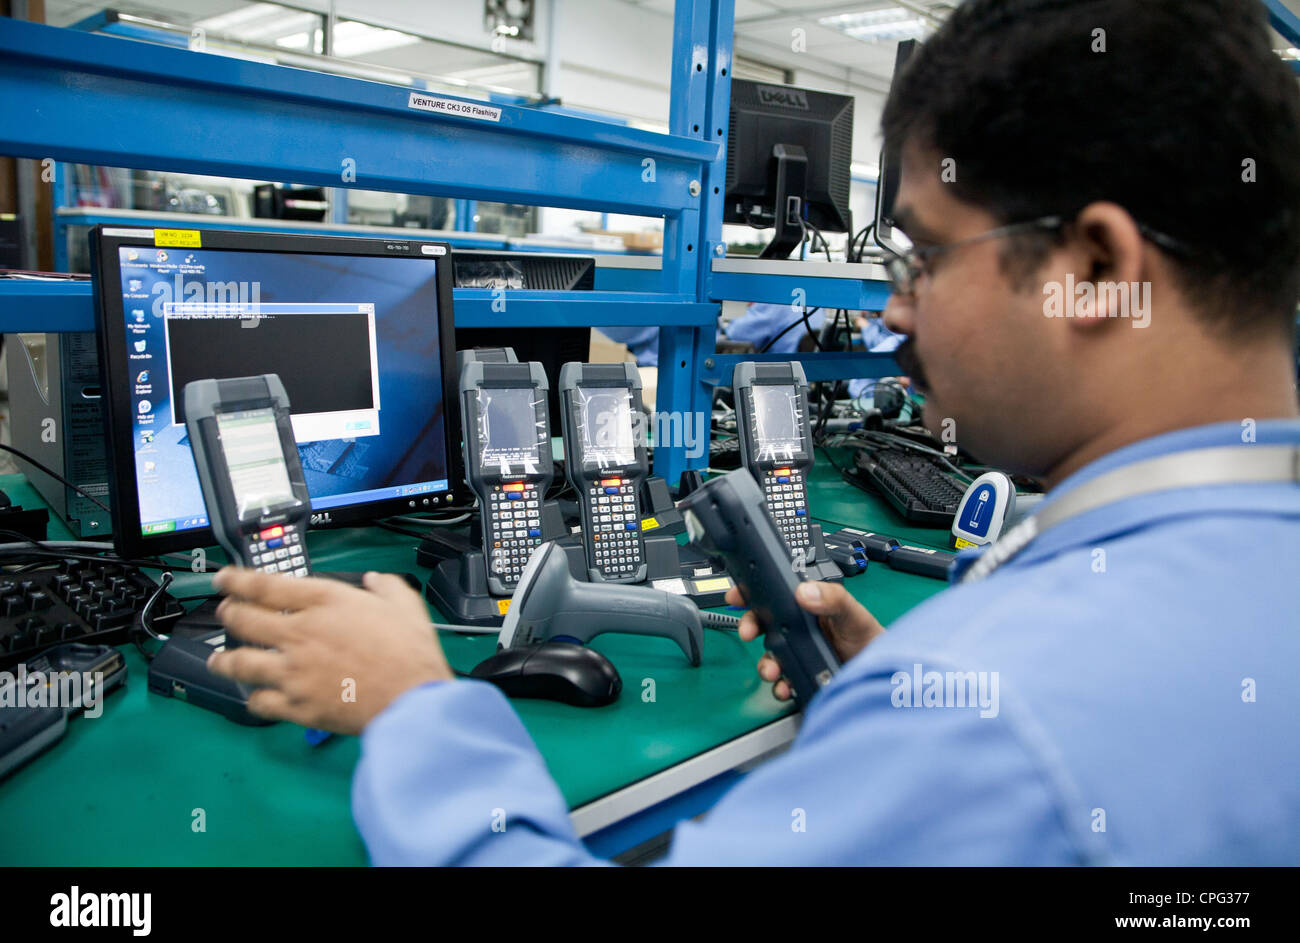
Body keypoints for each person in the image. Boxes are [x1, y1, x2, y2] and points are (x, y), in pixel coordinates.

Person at [207, 0, 1300, 865]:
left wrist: (415, 711)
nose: (894, 312)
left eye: (919, 254)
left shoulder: (999, 725)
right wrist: (910, 691)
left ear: (1093, 273)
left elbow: (1021, 747)